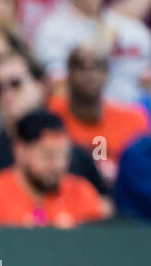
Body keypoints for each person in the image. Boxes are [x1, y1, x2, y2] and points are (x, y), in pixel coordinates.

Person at [0, 49, 107, 195]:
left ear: (41, 86)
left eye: (15, 84)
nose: (6, 94)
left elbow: (103, 208)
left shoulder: (77, 157)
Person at [0, 108, 106, 225]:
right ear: (20, 151)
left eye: (64, 156)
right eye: (48, 155)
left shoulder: (82, 193)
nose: (58, 165)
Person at [35, 0, 151, 105]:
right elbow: (59, 90)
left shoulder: (133, 29)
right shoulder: (52, 30)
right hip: (87, 113)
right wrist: (98, 49)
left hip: (138, 111)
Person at [47, 44, 150, 185]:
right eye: (81, 66)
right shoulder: (51, 115)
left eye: (98, 67)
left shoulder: (135, 120)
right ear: (68, 74)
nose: (90, 74)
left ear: (107, 74)